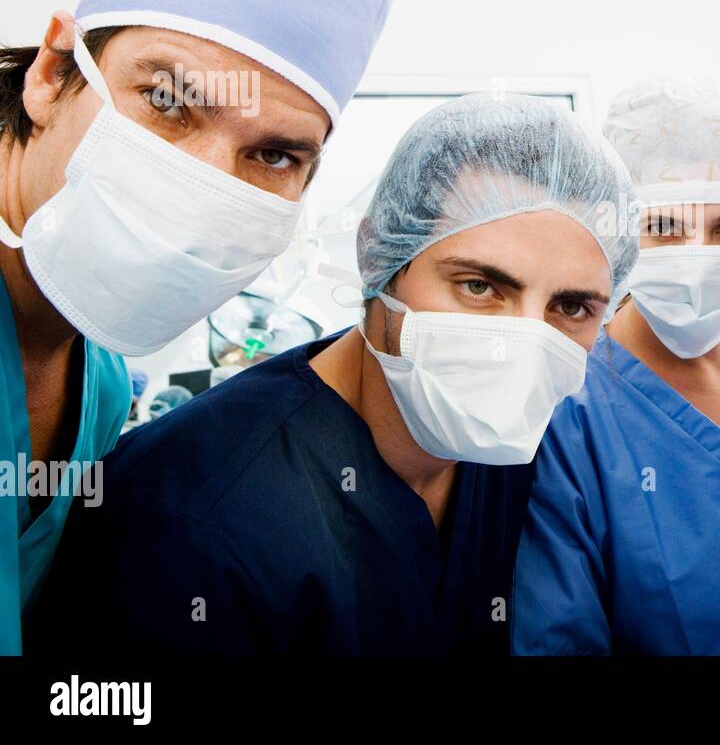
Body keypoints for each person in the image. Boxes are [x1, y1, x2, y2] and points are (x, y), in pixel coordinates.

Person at [29, 94, 637, 654]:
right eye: (478, 286)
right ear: (379, 257)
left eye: (572, 307)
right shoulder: (182, 512)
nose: (523, 344)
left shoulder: (528, 468)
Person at [0, 0, 395, 654]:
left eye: (276, 155)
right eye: (169, 101)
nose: (203, 185)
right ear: (51, 73)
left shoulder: (100, 375)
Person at [511, 77, 720, 655]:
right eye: (665, 226)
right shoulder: (564, 406)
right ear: (616, 231)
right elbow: (558, 637)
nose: (700, 255)